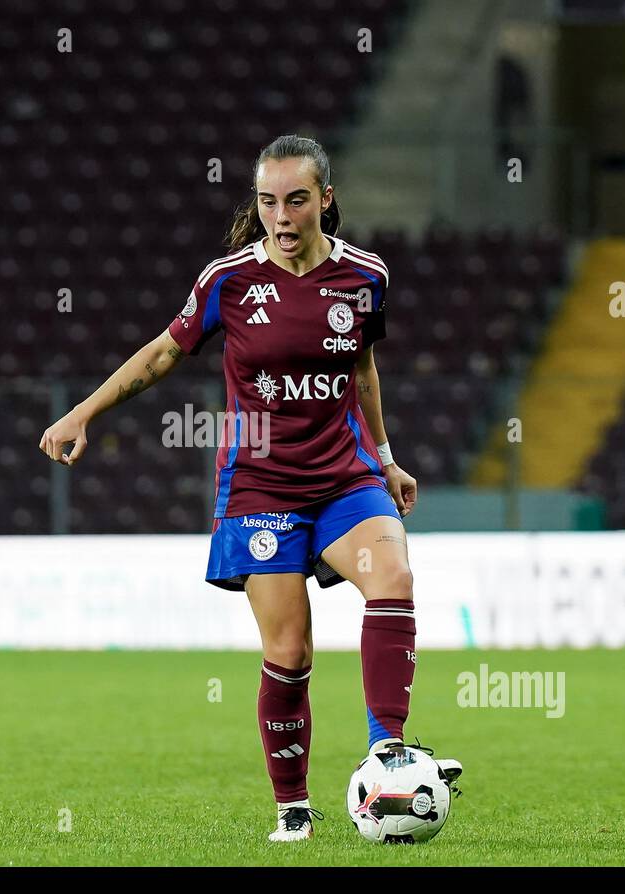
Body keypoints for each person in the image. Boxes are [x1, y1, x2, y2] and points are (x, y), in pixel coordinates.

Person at [40, 134, 462, 842]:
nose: (281, 216)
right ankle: (292, 806)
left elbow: (362, 370)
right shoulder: (229, 280)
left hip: (345, 477)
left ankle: (388, 749)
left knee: (393, 573)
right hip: (260, 486)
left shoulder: (365, 276)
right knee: (290, 650)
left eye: (296, 199)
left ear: (325, 198)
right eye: (268, 201)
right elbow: (163, 353)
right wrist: (85, 411)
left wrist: (386, 457)